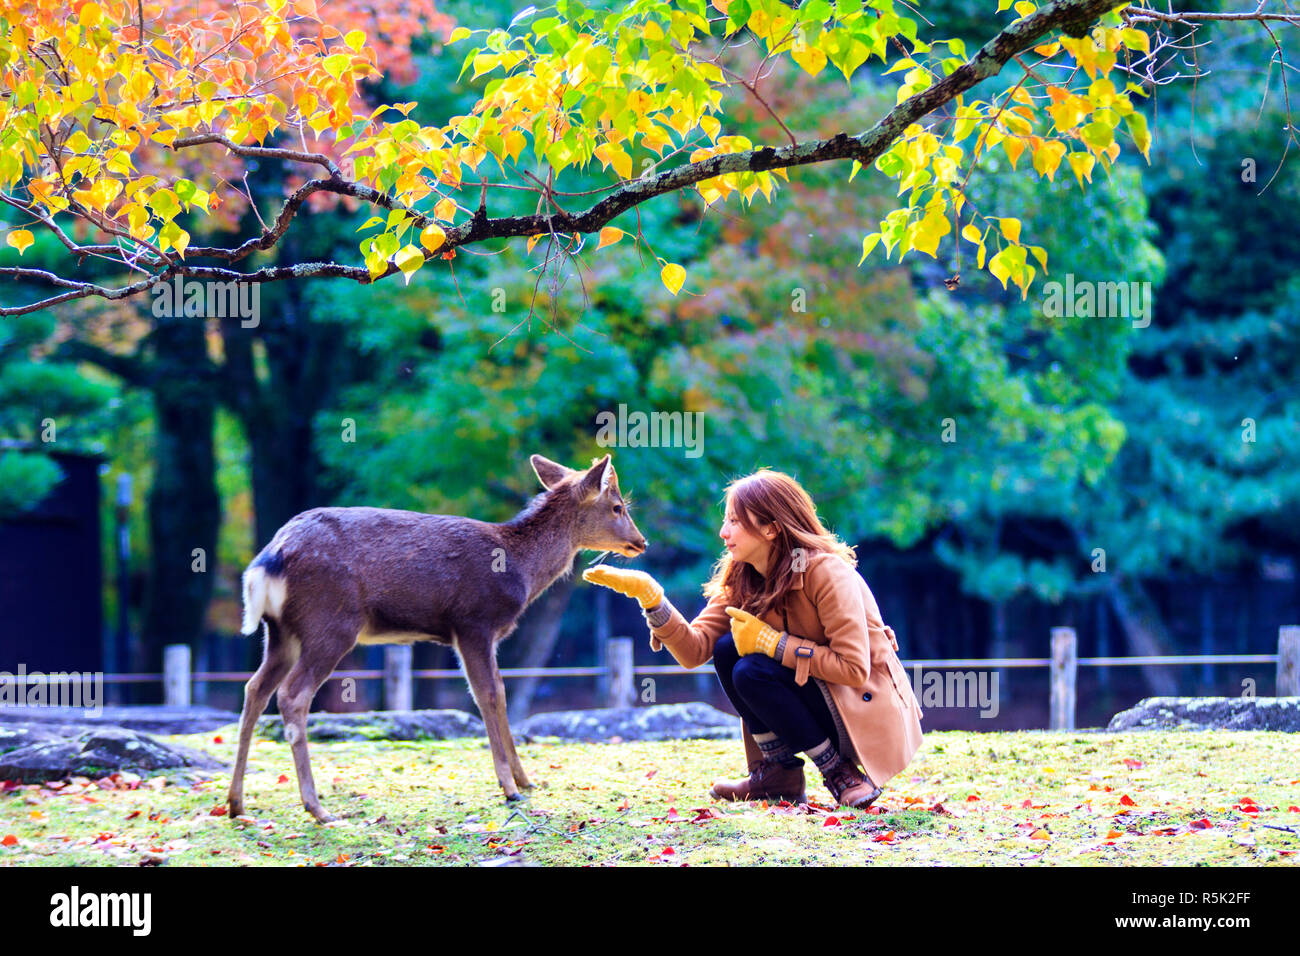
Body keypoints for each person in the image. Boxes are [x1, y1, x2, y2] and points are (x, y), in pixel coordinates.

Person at [583, 468, 924, 809]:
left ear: (771, 528)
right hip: (818, 703)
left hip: (860, 713)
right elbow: (695, 651)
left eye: (734, 521)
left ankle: (839, 772)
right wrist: (652, 598)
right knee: (728, 649)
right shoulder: (744, 578)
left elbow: (853, 669)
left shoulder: (827, 572)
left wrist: (772, 644)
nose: (722, 532)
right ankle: (778, 774)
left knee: (752, 669)